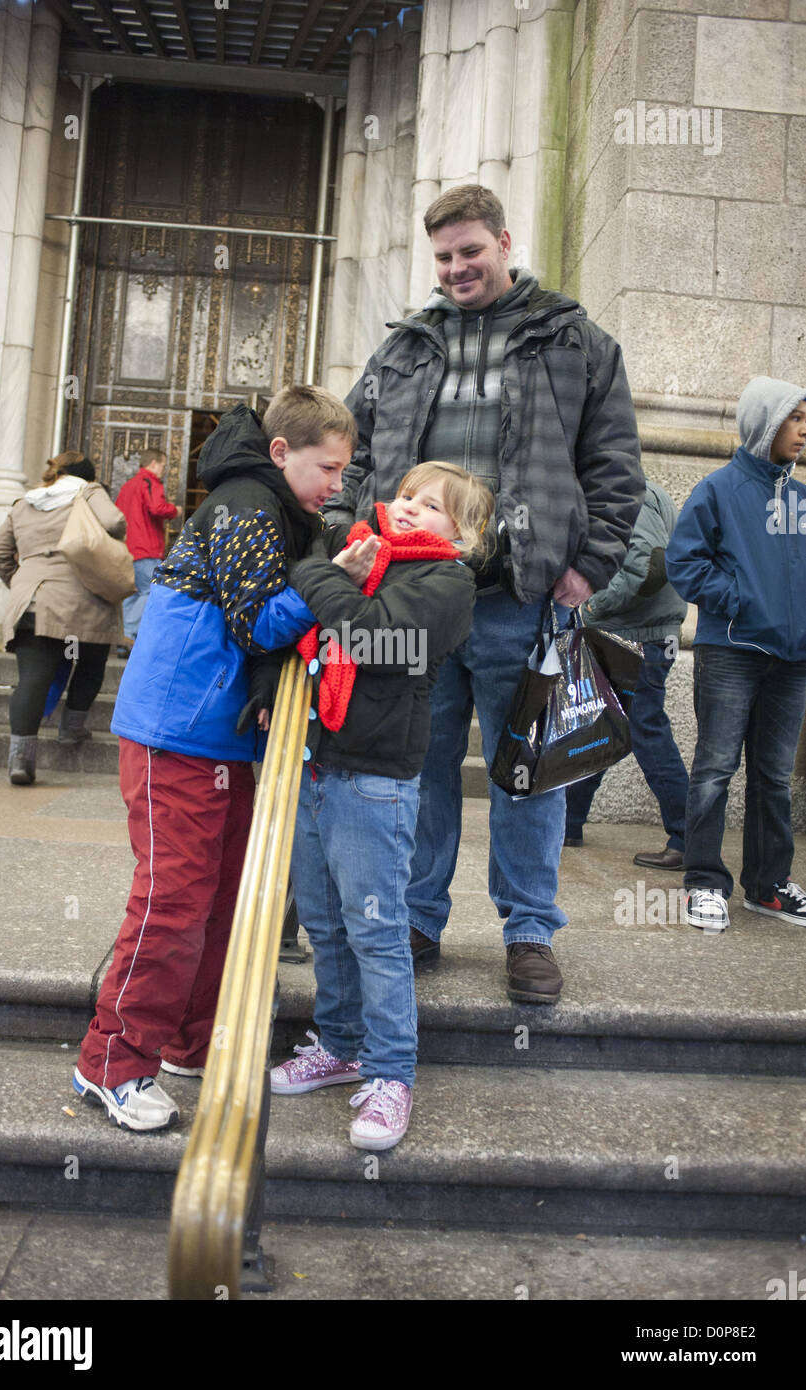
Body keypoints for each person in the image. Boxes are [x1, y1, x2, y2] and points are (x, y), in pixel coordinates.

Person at [326, 184, 644, 1003]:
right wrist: (347, 533)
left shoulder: (572, 339)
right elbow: (355, 458)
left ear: (503, 242)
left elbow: (613, 467)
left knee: (528, 769)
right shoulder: (403, 348)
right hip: (415, 596)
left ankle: (529, 930)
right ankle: (418, 917)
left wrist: (589, 568)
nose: (458, 267)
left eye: (471, 251)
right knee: (418, 764)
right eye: (443, 256)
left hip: (520, 596)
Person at [73, 386, 356, 1132]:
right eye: (326, 468)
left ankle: (188, 1045)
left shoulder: (284, 511)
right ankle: (110, 1063)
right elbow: (260, 621)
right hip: (177, 733)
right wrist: (335, 582)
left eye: (342, 471)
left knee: (221, 900)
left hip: (216, 735)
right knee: (173, 902)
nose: (335, 484)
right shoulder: (246, 503)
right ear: (281, 452)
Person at [270, 462, 491, 1150]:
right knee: (328, 927)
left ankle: (391, 1073)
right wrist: (337, 576)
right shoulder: (369, 557)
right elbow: (331, 625)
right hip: (313, 765)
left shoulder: (446, 581)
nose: (409, 510)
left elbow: (370, 640)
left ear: (463, 531)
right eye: (404, 497)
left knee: (375, 930)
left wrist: (317, 573)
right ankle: (338, 1045)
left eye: (431, 507)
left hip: (373, 777)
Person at [666, 376, 806, 933]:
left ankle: (767, 887)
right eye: (794, 418)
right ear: (765, 423)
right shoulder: (717, 489)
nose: (803, 429)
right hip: (731, 652)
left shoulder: (801, 498)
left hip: (793, 661)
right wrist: (742, 600)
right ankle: (703, 883)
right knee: (715, 770)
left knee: (773, 776)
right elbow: (684, 563)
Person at [564, 480, 689, 868]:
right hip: (637, 635)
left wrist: (592, 606)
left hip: (640, 638)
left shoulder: (632, 493)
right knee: (600, 727)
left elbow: (648, 566)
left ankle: (689, 837)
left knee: (645, 728)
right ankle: (569, 822)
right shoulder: (635, 492)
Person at [0, 452, 126, 785]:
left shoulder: (24, 502)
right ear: (87, 476)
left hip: (31, 600)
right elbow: (115, 523)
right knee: (90, 663)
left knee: (32, 678)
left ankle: (20, 759)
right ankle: (72, 728)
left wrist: (21, 581)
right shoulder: (88, 492)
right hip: (83, 598)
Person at [113, 447, 181, 657]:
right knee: (150, 590)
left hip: (128, 548)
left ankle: (122, 639)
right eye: (162, 465)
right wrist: (174, 510)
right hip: (146, 547)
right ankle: (129, 633)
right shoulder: (150, 482)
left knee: (132, 594)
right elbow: (157, 508)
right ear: (153, 464)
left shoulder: (127, 486)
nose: (164, 469)